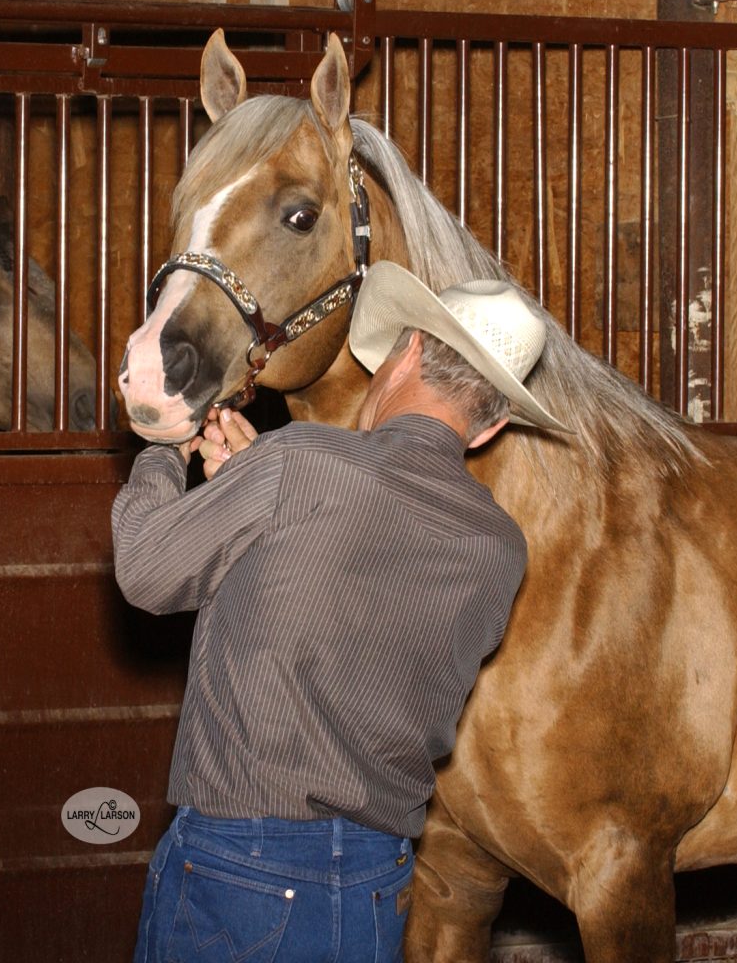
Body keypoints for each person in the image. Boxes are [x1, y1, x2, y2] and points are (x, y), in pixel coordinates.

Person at [112, 259, 568, 963]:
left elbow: (145, 572)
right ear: (489, 426)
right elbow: (353, 593)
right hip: (378, 876)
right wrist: (255, 484)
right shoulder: (499, 545)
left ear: (406, 351)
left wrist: (165, 448)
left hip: (240, 862)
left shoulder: (303, 463)